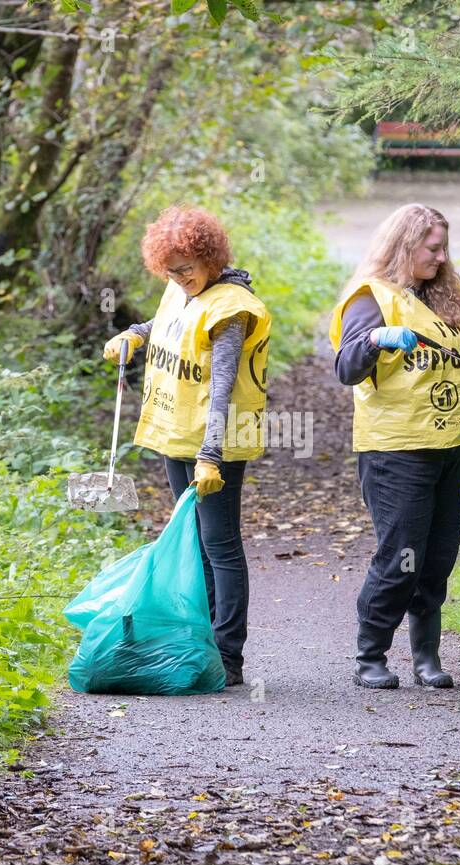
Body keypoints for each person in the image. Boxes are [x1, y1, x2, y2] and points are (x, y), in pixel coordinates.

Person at [329, 203, 460, 689]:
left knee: (438, 555)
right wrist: (377, 339)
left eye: (445, 247)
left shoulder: (452, 297)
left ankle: (426, 657)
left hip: (450, 444)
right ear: (404, 246)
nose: (442, 257)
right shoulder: (372, 298)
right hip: (396, 449)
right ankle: (371, 656)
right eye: (432, 247)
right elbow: (346, 368)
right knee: (401, 554)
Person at [103, 205, 271, 687]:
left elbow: (221, 387)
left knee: (219, 544)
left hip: (212, 443)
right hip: (176, 436)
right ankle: (204, 644)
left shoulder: (231, 307)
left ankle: (229, 656)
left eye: (186, 269)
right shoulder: (182, 292)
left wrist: (210, 454)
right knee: (194, 543)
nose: (178, 279)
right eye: (169, 270)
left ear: (210, 258)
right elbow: (169, 327)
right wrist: (133, 336)